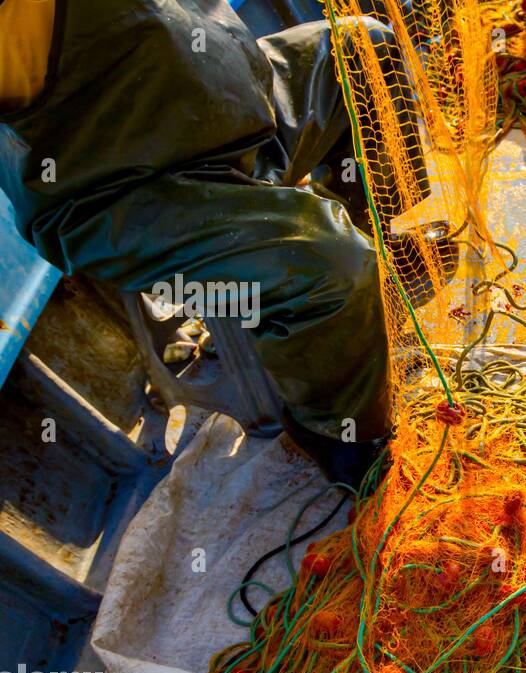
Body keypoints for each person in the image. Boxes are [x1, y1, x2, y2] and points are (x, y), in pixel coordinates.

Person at [0, 0, 431, 485]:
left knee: (364, 46)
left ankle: (371, 253)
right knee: (331, 265)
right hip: (123, 188)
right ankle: (343, 439)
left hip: (234, 107)